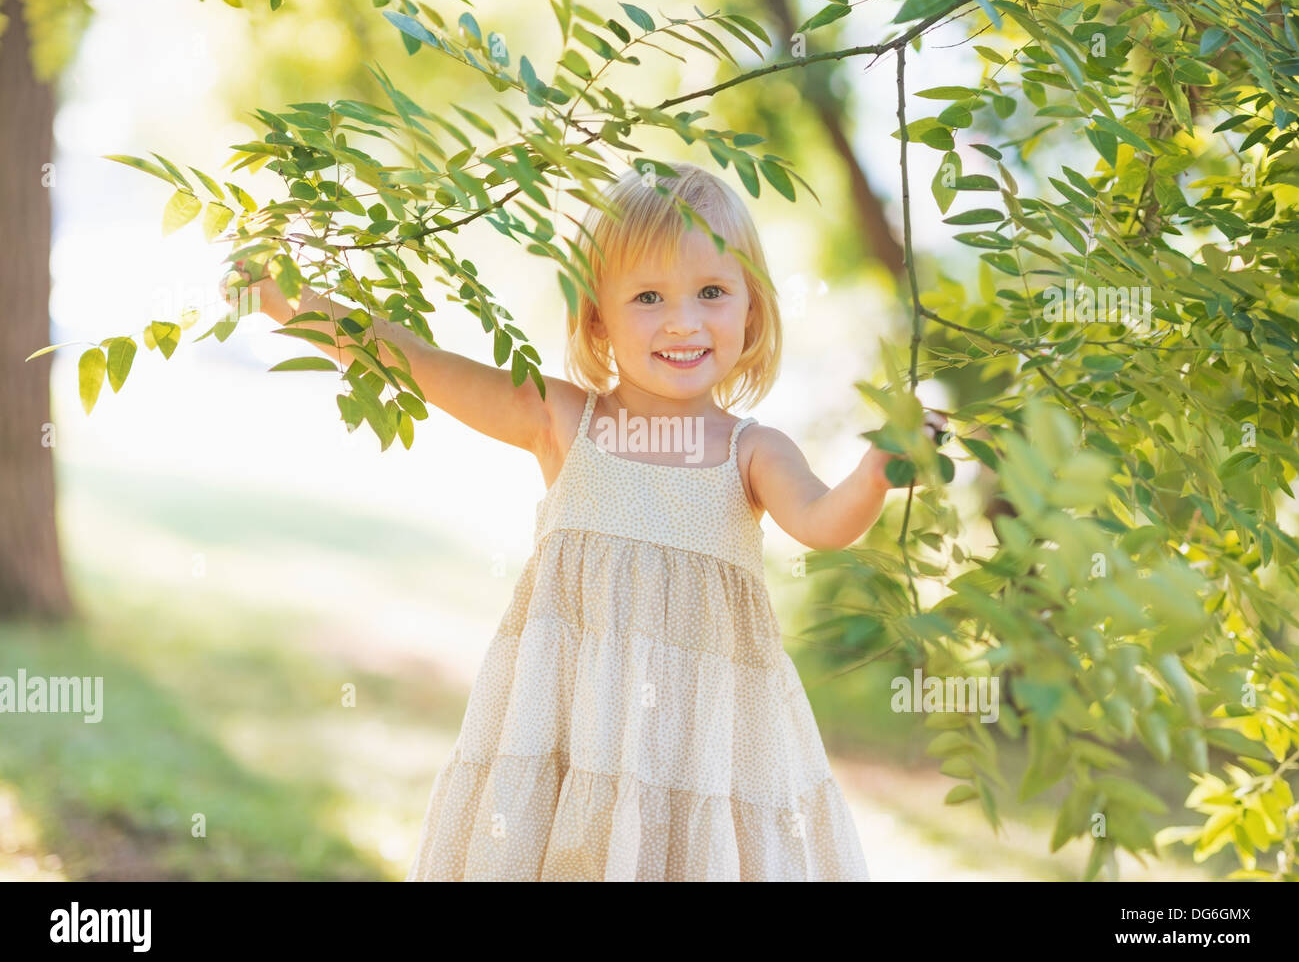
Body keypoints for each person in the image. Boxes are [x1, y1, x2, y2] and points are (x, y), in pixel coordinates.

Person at [225, 161, 912, 881]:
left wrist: (874, 474)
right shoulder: (563, 420)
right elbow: (417, 360)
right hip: (568, 741)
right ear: (597, 318)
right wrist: (282, 298)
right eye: (648, 296)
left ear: (751, 310)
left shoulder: (754, 451)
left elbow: (823, 521)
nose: (683, 320)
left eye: (711, 291)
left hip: (701, 754)